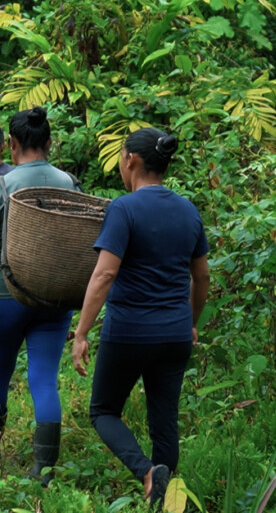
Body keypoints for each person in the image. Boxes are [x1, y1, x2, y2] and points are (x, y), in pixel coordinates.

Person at [71, 128, 210, 509]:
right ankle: (167, 501)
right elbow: (202, 277)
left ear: (131, 159)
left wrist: (81, 332)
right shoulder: (188, 210)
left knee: (103, 410)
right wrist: (191, 321)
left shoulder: (124, 208)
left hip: (130, 331)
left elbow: (104, 274)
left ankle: (148, 474)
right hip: (176, 333)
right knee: (164, 421)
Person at [0, 107, 79, 485]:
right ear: (50, 143)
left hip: (2, 297)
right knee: (43, 378)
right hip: (53, 299)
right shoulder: (69, 184)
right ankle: (43, 470)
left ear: (11, 144)